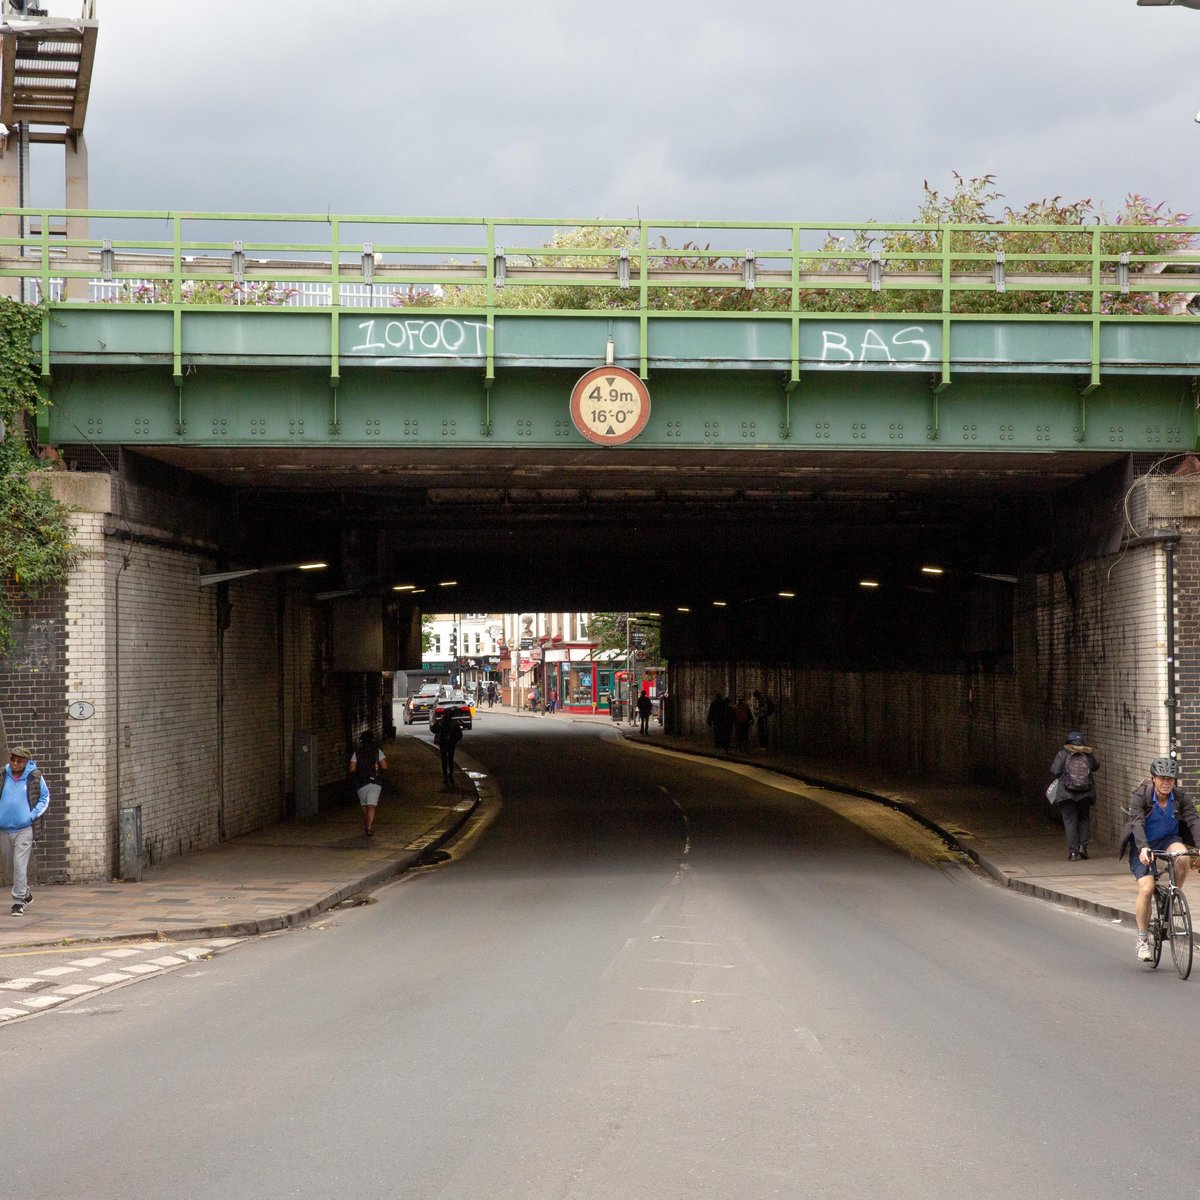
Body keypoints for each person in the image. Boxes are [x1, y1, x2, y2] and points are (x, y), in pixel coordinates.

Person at [1117, 755, 1200, 963]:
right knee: (1146, 888)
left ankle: (1172, 896)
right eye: (1162, 778)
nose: (1166, 783)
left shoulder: (1180, 798)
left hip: (1168, 840)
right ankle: (1143, 939)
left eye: (1170, 779)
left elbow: (1193, 820)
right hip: (1143, 845)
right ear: (1153, 778)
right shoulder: (1141, 796)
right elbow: (1136, 822)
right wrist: (1144, 848)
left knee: (1182, 856)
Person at [1, 745, 49, 916]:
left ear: (26, 762)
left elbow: (44, 797)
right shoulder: (3, 774)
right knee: (10, 868)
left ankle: (18, 902)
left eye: (19, 761)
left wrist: (32, 815)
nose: (15, 763)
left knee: (20, 866)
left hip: (24, 828)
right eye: (13, 759)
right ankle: (26, 893)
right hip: (4, 828)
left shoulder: (34, 776)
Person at [1049, 730, 1100, 861]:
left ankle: (1073, 852)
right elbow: (1096, 767)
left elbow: (1055, 771)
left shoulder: (1063, 754)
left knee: (1070, 821)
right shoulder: (1087, 755)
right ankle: (1083, 847)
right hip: (1085, 794)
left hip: (1067, 794)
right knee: (1083, 819)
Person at [348, 730, 387, 837]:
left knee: (364, 806)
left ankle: (367, 825)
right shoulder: (378, 752)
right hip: (375, 783)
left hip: (361, 783)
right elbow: (384, 766)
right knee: (372, 805)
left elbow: (352, 768)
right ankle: (369, 828)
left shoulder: (356, 753)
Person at [430, 708, 463, 787]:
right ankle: (448, 775)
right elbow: (460, 734)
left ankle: (447, 775)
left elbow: (433, 729)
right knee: (448, 760)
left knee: (446, 760)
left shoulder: (443, 723)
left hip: (446, 743)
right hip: (448, 743)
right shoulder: (450, 723)